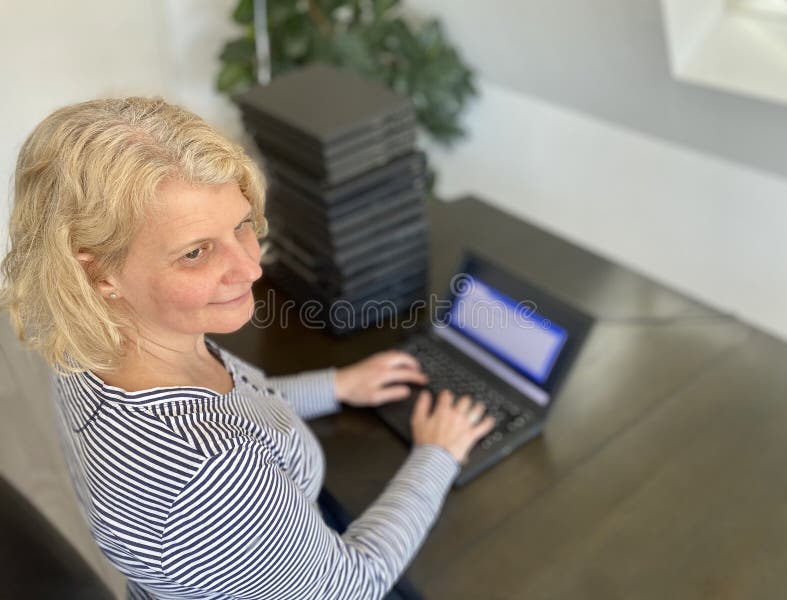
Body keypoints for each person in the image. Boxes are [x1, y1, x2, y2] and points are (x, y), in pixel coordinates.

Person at [0, 97, 495, 599]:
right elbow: (352, 585)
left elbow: (235, 402)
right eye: (195, 253)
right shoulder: (209, 473)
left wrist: (336, 385)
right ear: (97, 272)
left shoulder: (95, 344)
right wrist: (438, 453)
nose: (250, 268)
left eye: (240, 226)